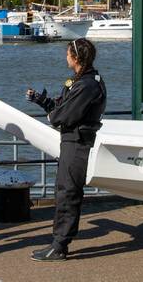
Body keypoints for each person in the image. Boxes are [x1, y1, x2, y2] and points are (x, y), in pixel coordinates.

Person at [25, 37, 106, 261]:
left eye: (68, 53)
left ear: (76, 57)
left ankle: (59, 246)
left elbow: (62, 116)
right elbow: (63, 106)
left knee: (68, 192)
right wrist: (42, 101)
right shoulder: (82, 80)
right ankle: (58, 243)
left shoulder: (87, 85)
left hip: (77, 142)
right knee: (64, 189)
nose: (65, 56)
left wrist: (53, 115)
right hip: (73, 141)